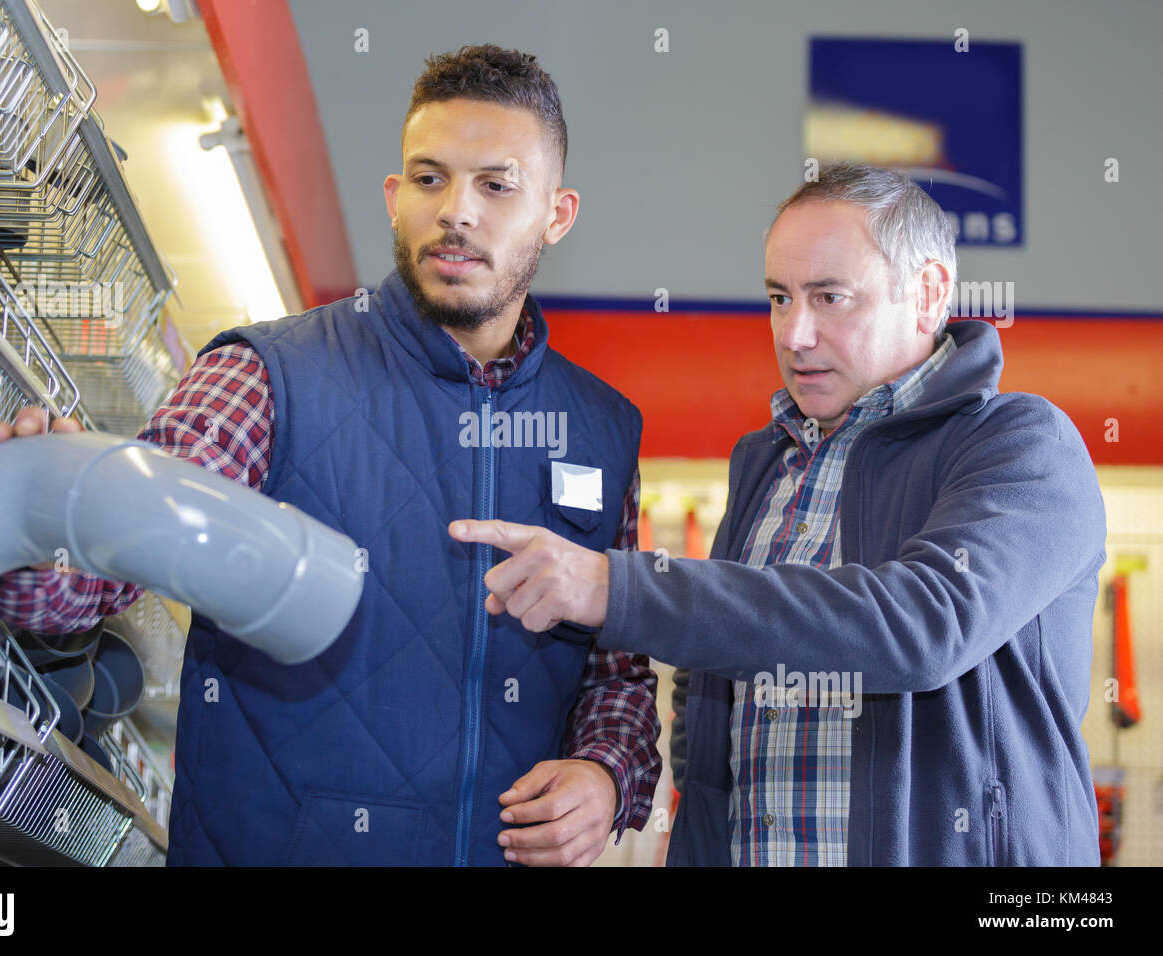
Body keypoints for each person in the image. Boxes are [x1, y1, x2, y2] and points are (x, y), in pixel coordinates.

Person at [0, 45, 660, 866]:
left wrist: (605, 773)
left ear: (558, 213)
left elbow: (619, 673)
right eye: (430, 179)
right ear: (395, 199)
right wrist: (22, 514)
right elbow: (81, 582)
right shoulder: (267, 378)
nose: (457, 212)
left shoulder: (602, 430)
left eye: (497, 185)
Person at [452, 161, 1107, 865]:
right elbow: (707, 718)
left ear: (927, 294)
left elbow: (921, 627)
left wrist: (619, 587)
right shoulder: (765, 460)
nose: (794, 334)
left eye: (830, 298)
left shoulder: (1023, 446)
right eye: (779, 297)